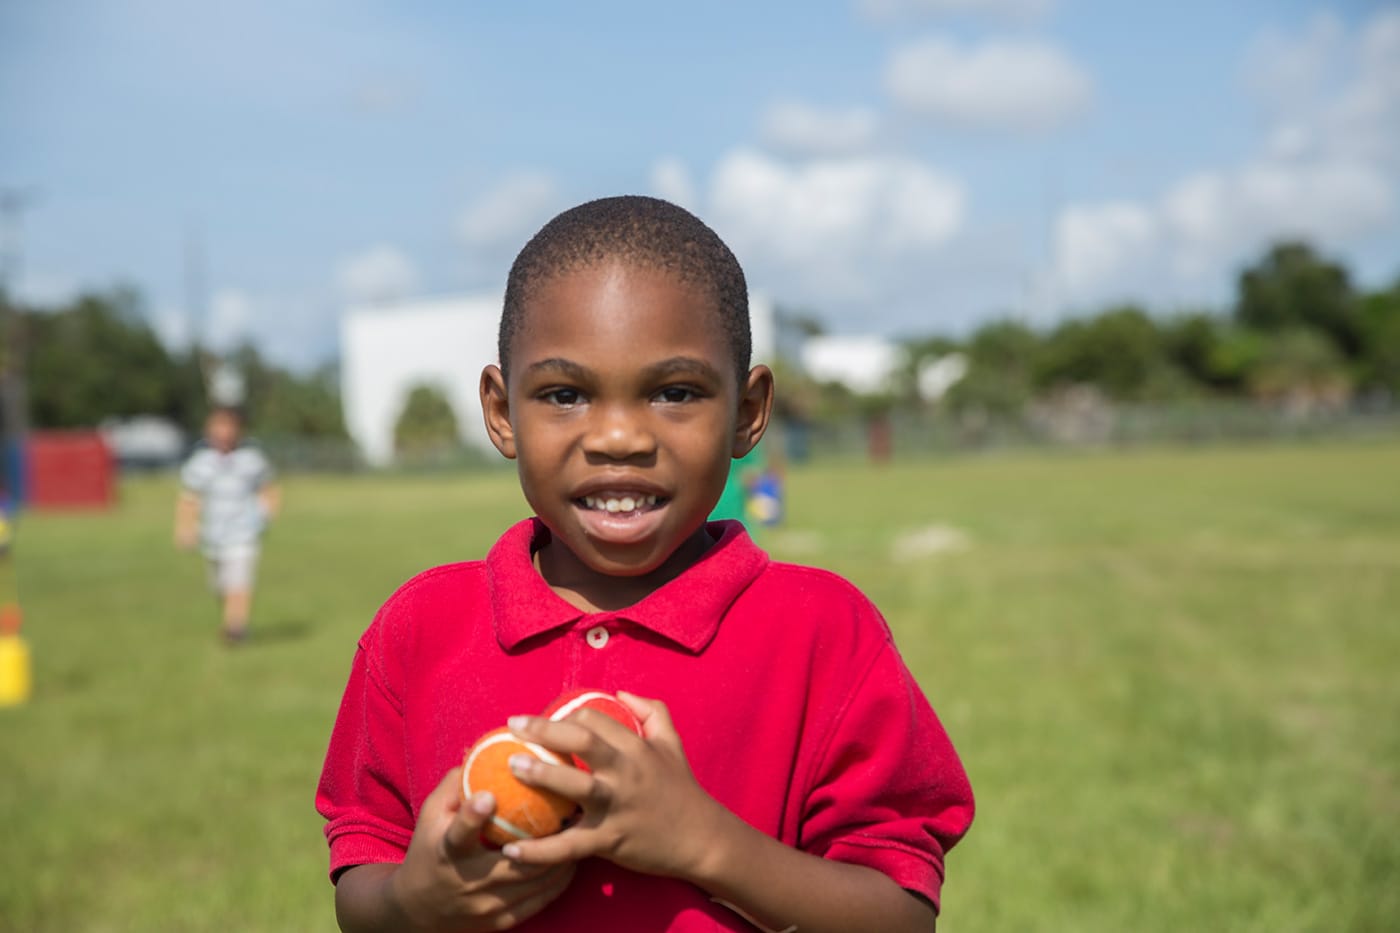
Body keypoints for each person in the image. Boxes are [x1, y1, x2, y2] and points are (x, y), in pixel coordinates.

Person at [316, 196, 973, 932]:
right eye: (565, 394)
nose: (620, 436)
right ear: (502, 412)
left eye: (674, 392)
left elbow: (901, 912)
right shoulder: (420, 630)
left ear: (749, 411)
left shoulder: (824, 633)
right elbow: (360, 879)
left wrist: (705, 842)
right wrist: (413, 899)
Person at [174, 406, 280, 644]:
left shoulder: (252, 461)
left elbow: (269, 489)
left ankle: (235, 628)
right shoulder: (200, 463)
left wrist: (264, 516)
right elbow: (189, 499)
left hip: (243, 533)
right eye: (218, 426)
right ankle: (231, 619)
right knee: (221, 586)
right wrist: (185, 528)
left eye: (228, 426)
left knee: (239, 582)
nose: (223, 432)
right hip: (213, 536)